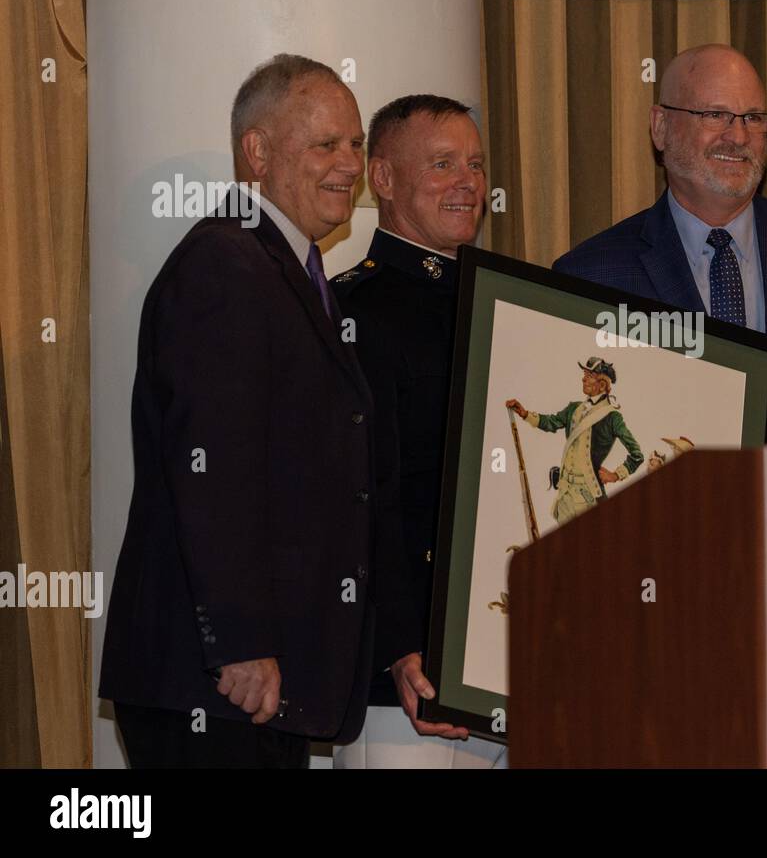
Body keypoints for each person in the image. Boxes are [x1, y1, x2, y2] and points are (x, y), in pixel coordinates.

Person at [99, 54, 412, 767]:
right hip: (216, 682)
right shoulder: (227, 266)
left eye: (356, 144)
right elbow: (212, 468)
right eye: (326, 143)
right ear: (257, 152)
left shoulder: (284, 269)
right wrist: (239, 642)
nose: (349, 164)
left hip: (244, 682)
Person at [553, 43, 767, 444]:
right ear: (660, 127)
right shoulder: (591, 277)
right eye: (714, 114)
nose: (738, 135)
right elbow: (587, 438)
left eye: (753, 117)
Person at [330, 94, 505, 768]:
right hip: (409, 687)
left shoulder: (509, 304)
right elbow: (361, 500)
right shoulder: (351, 312)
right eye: (441, 164)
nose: (467, 182)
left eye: (475, 164)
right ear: (383, 179)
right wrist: (400, 645)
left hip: (512, 661)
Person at [506, 356, 645, 525]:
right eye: (584, 374)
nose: (583, 378)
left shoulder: (612, 417)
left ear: (602, 385)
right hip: (565, 492)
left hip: (587, 497)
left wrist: (615, 475)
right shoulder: (574, 408)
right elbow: (551, 422)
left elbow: (637, 454)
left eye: (589, 375)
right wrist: (525, 414)